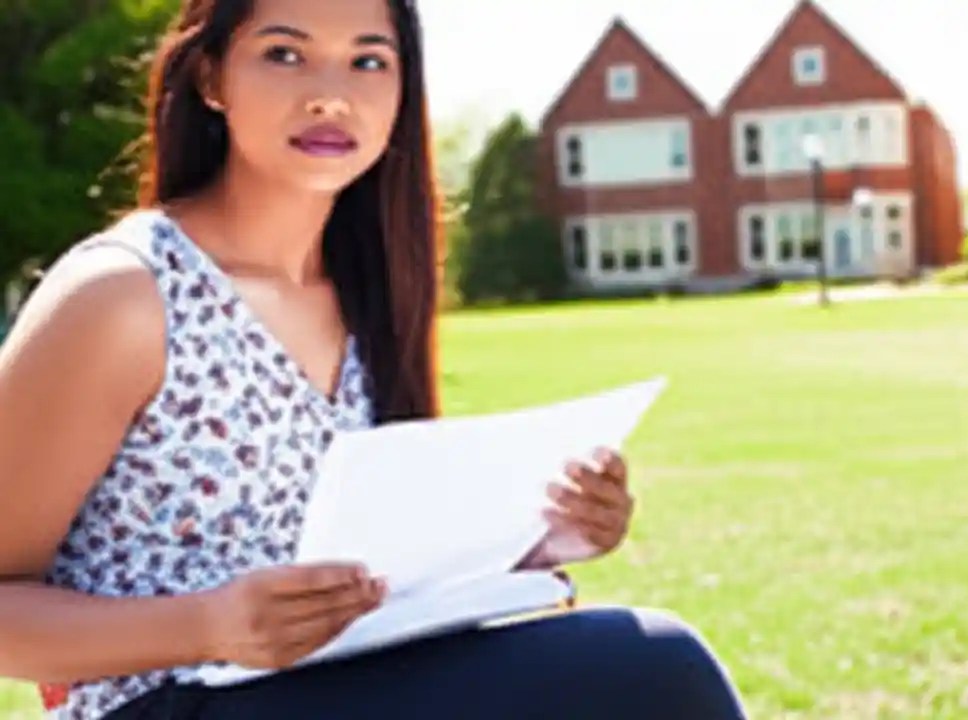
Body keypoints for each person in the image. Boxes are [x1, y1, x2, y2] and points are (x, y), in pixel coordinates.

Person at [0, 1, 746, 718]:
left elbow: (375, 569)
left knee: (640, 667)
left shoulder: (369, 295)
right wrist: (204, 626)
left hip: (351, 682)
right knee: (655, 669)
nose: (331, 96)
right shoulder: (124, 296)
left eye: (367, 61)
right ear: (211, 78)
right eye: (284, 54)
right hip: (178, 703)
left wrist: (542, 538)